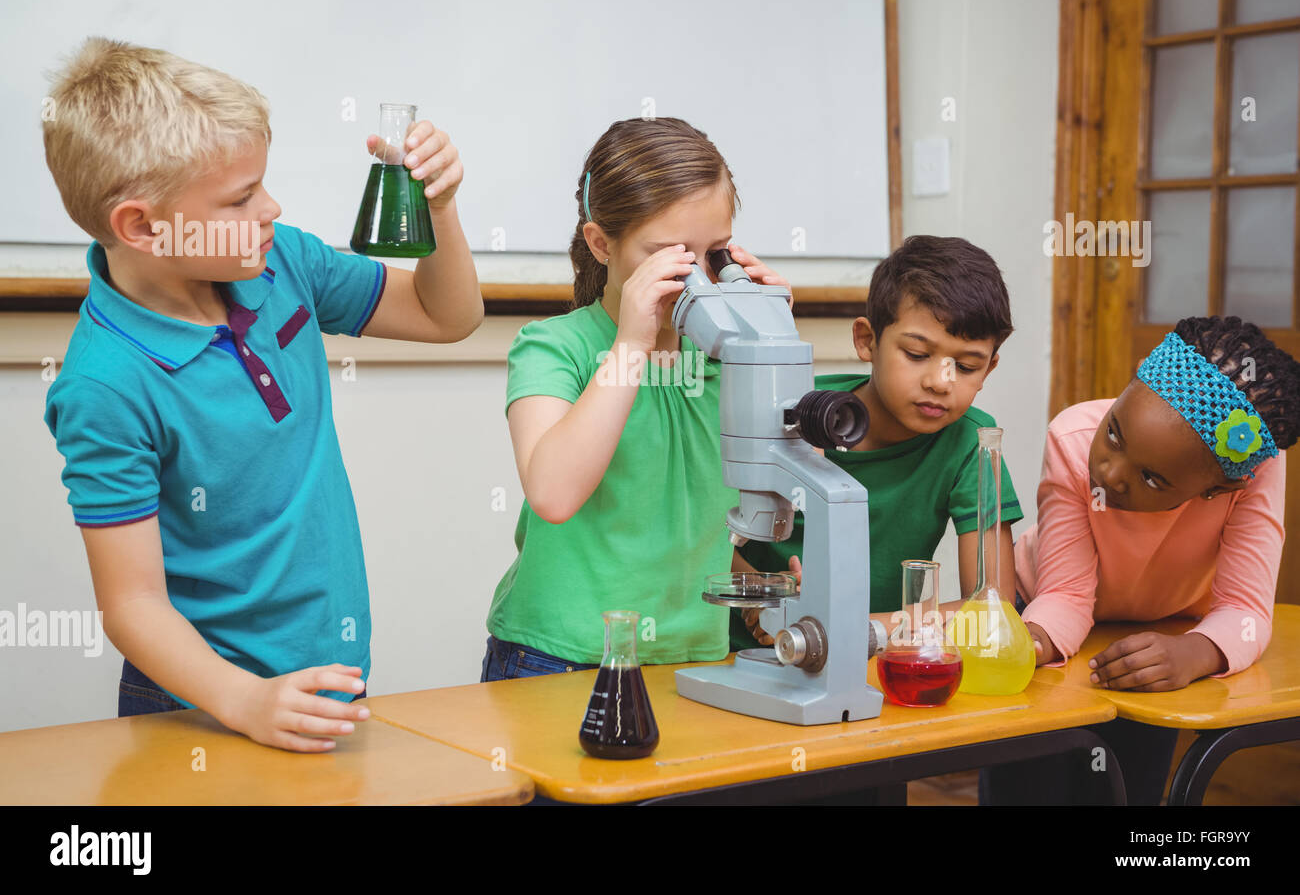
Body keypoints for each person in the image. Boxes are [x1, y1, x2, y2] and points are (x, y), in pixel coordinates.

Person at [42, 37, 483, 751]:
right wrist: (245, 702)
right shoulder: (104, 385)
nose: (271, 206)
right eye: (242, 196)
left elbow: (448, 316)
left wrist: (442, 209)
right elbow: (133, 607)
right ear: (143, 226)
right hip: (196, 706)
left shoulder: (282, 261)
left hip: (327, 680)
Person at [481, 117, 792, 680]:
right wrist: (631, 344)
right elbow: (553, 493)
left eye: (714, 254)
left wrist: (772, 345)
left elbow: (791, 481)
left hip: (696, 653)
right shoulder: (556, 347)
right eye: (670, 257)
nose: (697, 277)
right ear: (601, 243)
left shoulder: (730, 358)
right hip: (561, 656)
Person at [982, 315, 1298, 804]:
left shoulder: (1254, 472)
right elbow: (1065, 595)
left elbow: (1246, 611)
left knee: (1126, 787)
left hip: (1161, 637)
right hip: (1044, 614)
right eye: (1114, 434)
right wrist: (1026, 645)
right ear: (1130, 385)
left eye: (1152, 479)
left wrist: (1193, 653)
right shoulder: (1071, 439)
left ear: (1218, 489)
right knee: (1027, 783)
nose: (1108, 473)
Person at [735, 235, 1023, 648]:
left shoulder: (972, 443)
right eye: (917, 354)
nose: (939, 383)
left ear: (989, 367)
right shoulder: (785, 411)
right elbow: (696, 532)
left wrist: (849, 631)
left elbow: (992, 606)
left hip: (872, 663)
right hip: (739, 653)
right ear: (867, 340)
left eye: (964, 366)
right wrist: (759, 593)